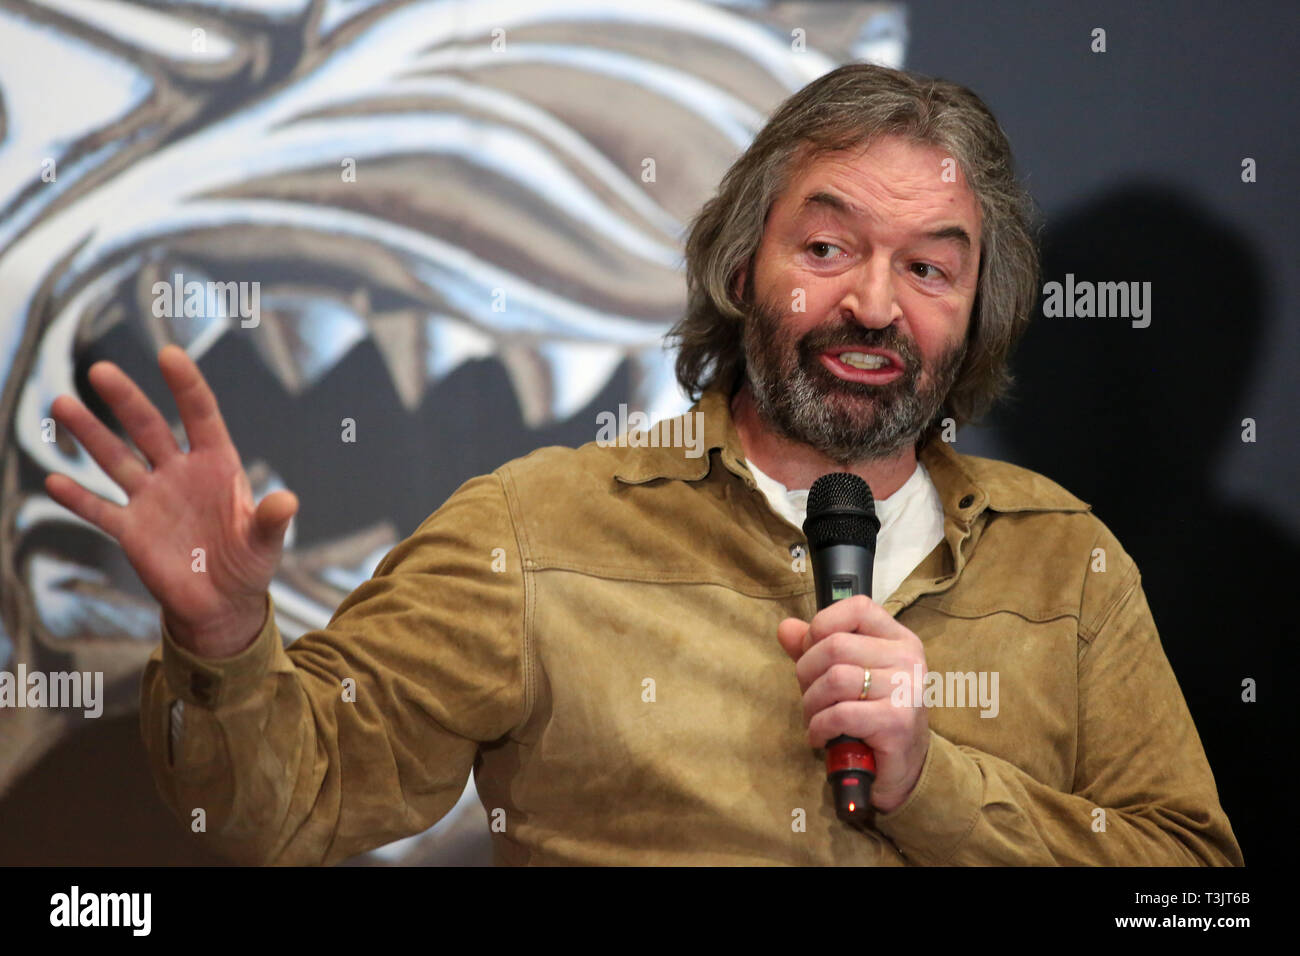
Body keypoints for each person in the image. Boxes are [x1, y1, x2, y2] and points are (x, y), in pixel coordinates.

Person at [45, 63, 1242, 866]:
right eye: (827, 246)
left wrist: (933, 777)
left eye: (930, 268)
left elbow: (1188, 884)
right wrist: (219, 639)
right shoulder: (536, 529)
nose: (874, 302)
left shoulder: (1066, 558)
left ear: (978, 311)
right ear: (738, 265)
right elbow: (279, 807)